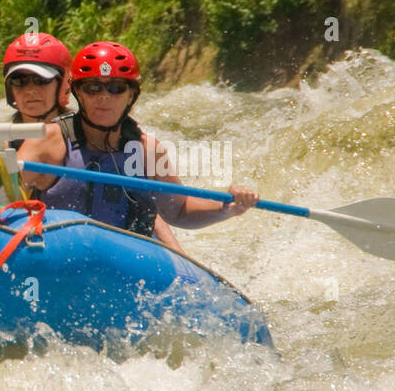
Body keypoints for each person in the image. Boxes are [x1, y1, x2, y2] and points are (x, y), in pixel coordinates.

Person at [14, 39, 258, 254]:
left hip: (124, 266)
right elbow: (3, 201)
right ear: (78, 92)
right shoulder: (48, 140)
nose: (104, 97)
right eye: (93, 87)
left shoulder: (147, 150)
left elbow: (180, 211)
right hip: (58, 254)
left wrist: (226, 207)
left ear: (131, 95)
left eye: (116, 88)